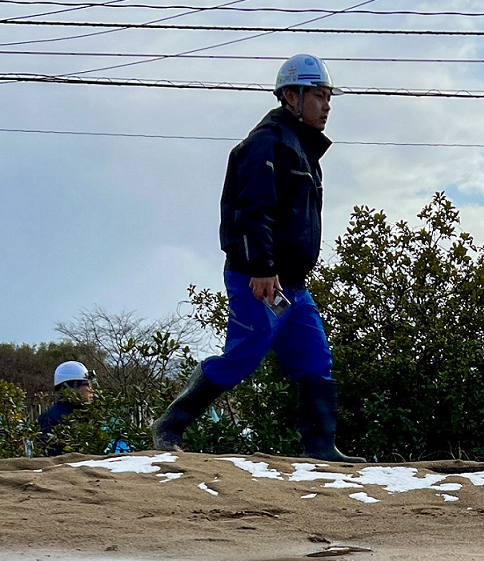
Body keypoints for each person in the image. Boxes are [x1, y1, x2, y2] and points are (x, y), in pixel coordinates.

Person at [154, 54, 361, 462]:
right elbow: (252, 209)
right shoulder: (267, 143)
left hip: (291, 282)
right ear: (291, 96)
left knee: (315, 358)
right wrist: (263, 267)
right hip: (260, 276)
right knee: (243, 355)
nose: (327, 105)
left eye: (328, 97)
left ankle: (321, 449)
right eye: (318, 95)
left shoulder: (300, 147)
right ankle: (170, 425)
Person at [37, 360, 95, 457]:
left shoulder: (90, 414)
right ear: (70, 387)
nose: (91, 389)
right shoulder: (51, 419)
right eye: (86, 384)